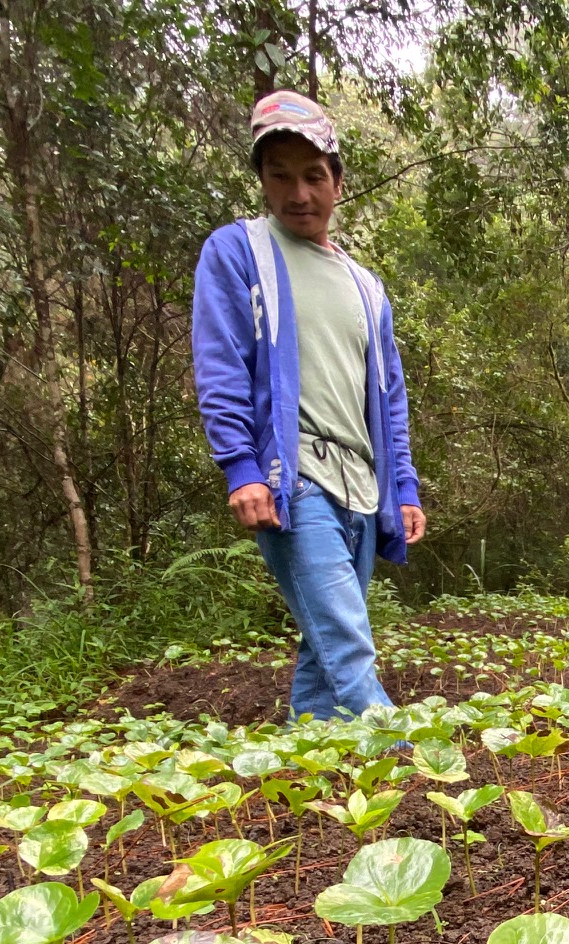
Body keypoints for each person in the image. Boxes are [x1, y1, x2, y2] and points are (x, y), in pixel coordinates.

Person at [191, 90, 426, 721]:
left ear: (338, 182)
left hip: (361, 484)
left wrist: (402, 485)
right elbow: (221, 366)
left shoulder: (365, 285)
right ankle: (411, 767)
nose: (299, 194)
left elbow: (389, 395)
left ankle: (309, 782)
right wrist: (240, 467)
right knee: (348, 643)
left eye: (314, 176)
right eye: (281, 176)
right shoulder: (239, 253)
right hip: (296, 480)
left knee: (322, 651)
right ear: (262, 181)